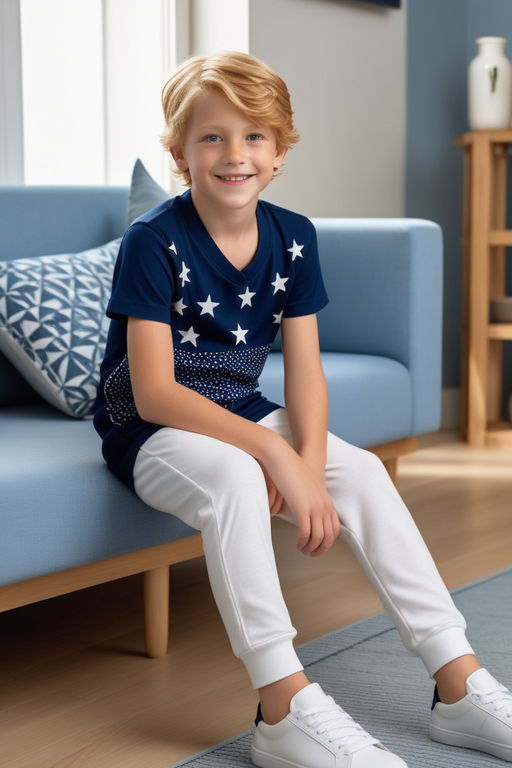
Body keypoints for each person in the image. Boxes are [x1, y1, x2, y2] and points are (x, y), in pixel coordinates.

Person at [94, 51, 512, 768]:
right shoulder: (153, 241)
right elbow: (156, 391)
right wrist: (277, 454)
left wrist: (309, 468)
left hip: (243, 406)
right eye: (213, 137)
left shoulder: (294, 237)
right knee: (232, 479)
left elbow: (308, 373)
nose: (235, 154)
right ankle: (282, 709)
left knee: (363, 474)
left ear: (281, 152)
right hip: (150, 428)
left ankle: (458, 685)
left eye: (255, 136)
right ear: (178, 153)